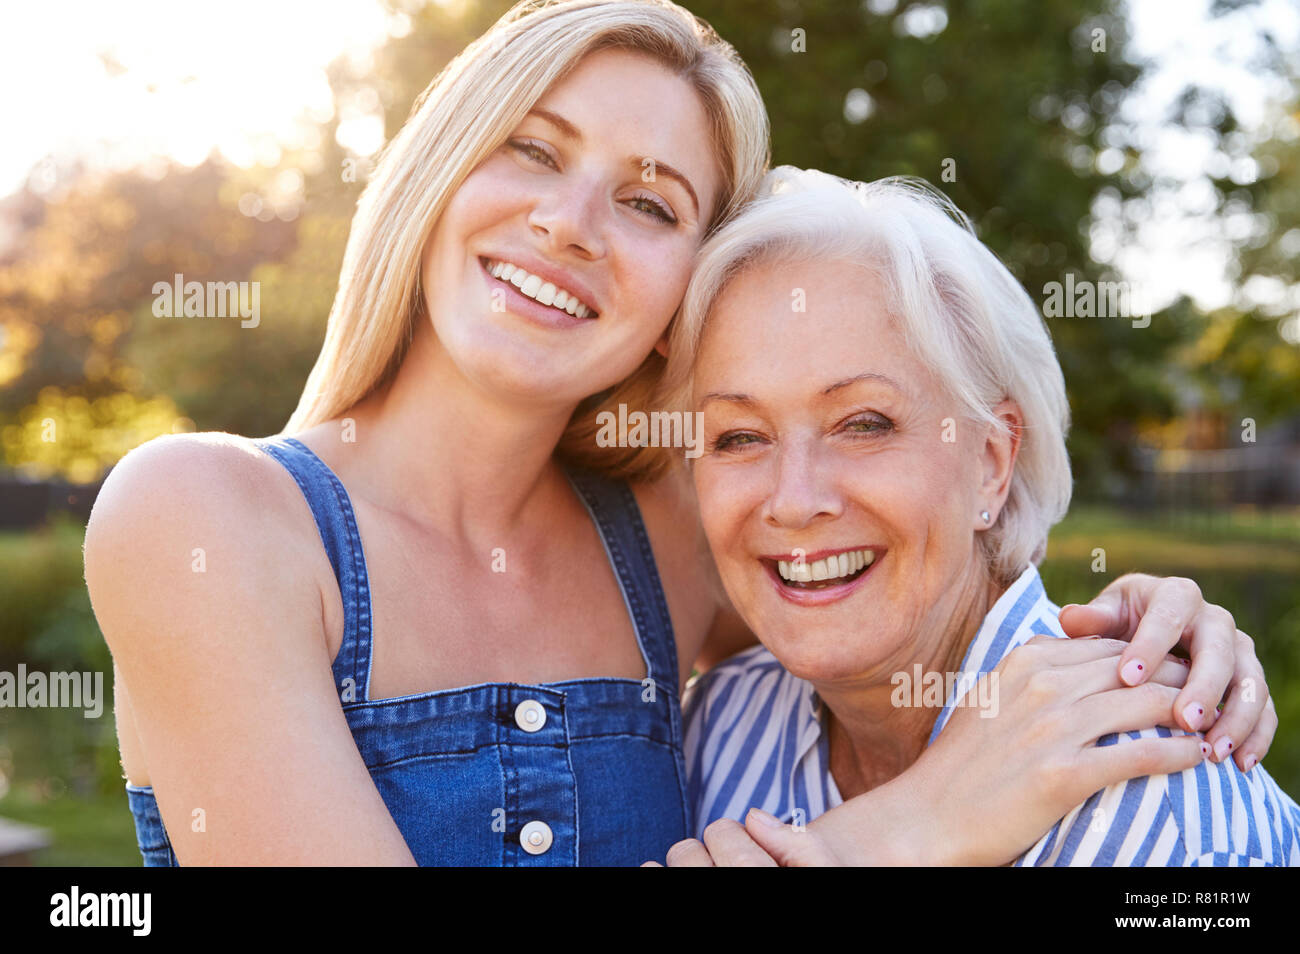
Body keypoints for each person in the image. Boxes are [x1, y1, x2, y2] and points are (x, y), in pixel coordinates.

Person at [85, 0, 1274, 867]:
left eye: (649, 202)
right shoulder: (206, 520)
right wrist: (912, 828)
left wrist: (1148, 623)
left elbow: (912, 556)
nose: (568, 222)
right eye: (534, 149)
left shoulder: (666, 537)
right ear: (437, 172)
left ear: (682, 298)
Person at [664, 168, 1297, 866]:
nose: (792, 499)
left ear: (991, 462)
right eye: (739, 437)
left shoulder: (1150, 792)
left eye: (864, 424)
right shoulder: (718, 725)